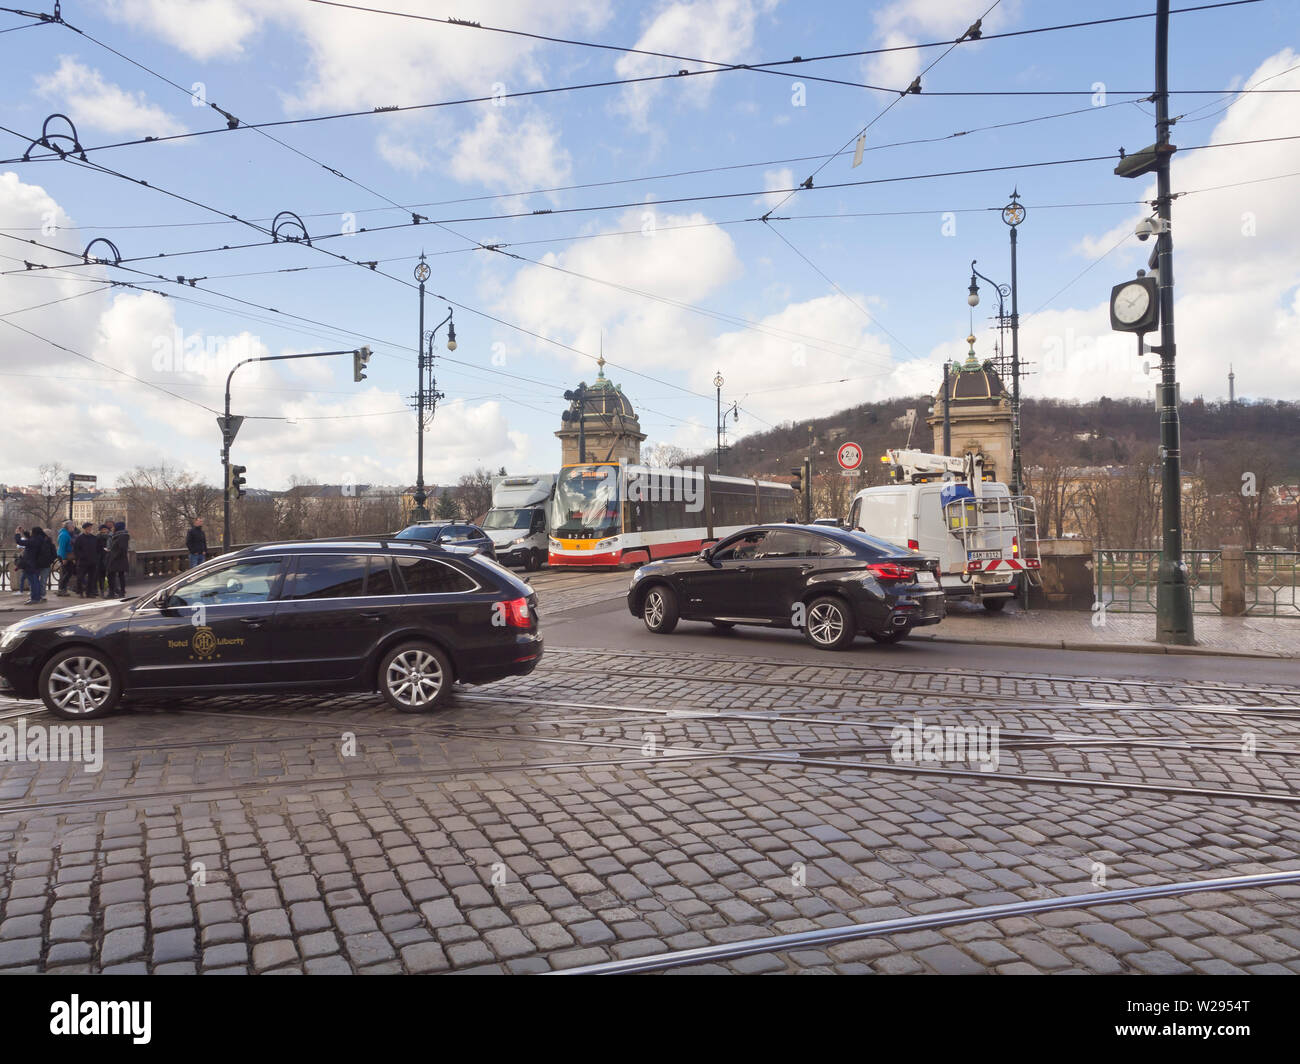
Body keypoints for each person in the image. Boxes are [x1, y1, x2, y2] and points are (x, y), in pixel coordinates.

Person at [21, 526, 56, 604]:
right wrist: (24, 532)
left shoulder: (48, 543)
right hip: (38, 564)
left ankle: (40, 596)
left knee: (40, 581)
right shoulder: (40, 541)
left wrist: (49, 561)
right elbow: (30, 538)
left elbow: (54, 554)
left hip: (44, 565)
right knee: (35, 581)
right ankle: (36, 596)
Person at [74, 522, 99, 597]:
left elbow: (97, 548)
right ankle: (80, 591)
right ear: (84, 529)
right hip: (83, 561)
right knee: (80, 577)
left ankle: (89, 592)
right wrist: (81, 556)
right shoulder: (79, 538)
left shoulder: (94, 538)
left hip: (92, 561)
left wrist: (96, 557)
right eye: (88, 528)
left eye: (90, 528)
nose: (90, 529)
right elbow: (76, 550)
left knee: (91, 578)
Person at [106, 520, 130, 599]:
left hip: (116, 559)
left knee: (111, 575)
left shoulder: (121, 536)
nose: (113, 528)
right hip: (119, 559)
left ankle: (113, 593)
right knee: (120, 576)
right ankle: (120, 592)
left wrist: (112, 553)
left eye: (114, 527)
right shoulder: (121, 535)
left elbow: (121, 549)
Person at [55, 520, 76, 597]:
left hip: (66, 555)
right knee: (69, 572)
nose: (74, 527)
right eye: (72, 526)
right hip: (65, 556)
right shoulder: (64, 535)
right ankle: (62, 589)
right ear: (68, 527)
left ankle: (62, 589)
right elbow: (62, 547)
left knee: (66, 572)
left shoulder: (66, 534)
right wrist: (64, 558)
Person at [95, 523, 111, 598]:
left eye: (106, 529)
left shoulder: (109, 537)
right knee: (101, 576)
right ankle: (101, 591)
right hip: (100, 559)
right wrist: (103, 550)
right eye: (104, 529)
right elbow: (96, 548)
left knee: (106, 576)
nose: (106, 530)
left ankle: (105, 591)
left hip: (106, 559)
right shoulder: (98, 538)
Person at [11, 525, 28, 597]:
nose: (19, 550)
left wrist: (17, 567)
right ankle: (23, 591)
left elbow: (22, 562)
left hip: (27, 568)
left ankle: (22, 591)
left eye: (19, 548)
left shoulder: (24, 553)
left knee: (28, 579)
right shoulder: (24, 552)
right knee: (27, 579)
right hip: (27, 567)